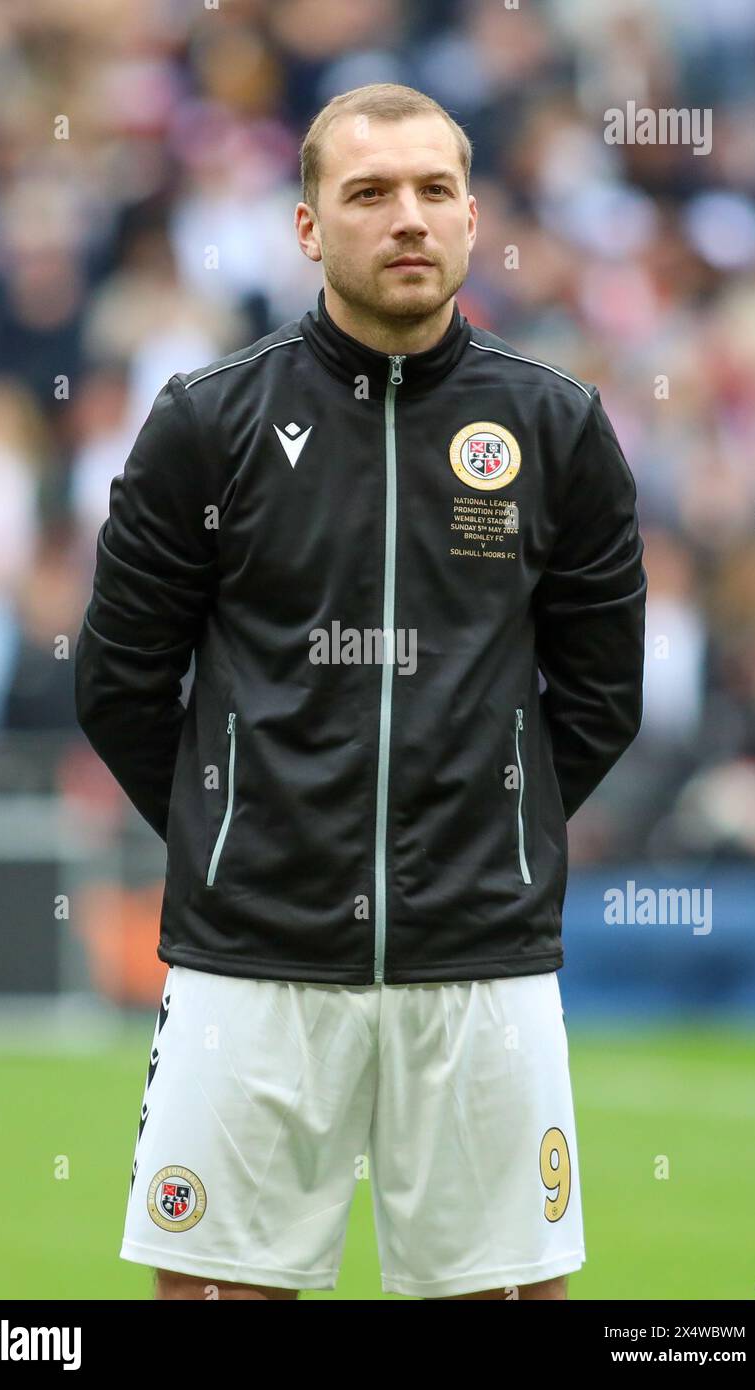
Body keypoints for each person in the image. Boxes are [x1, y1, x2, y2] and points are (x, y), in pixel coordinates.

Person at [74, 83, 647, 1301]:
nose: (406, 219)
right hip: (251, 969)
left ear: (473, 216)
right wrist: (241, 830)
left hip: (479, 965)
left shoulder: (556, 428)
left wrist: (488, 826)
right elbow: (119, 682)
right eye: (369, 193)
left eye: (433, 191)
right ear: (304, 226)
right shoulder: (205, 423)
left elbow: (599, 696)